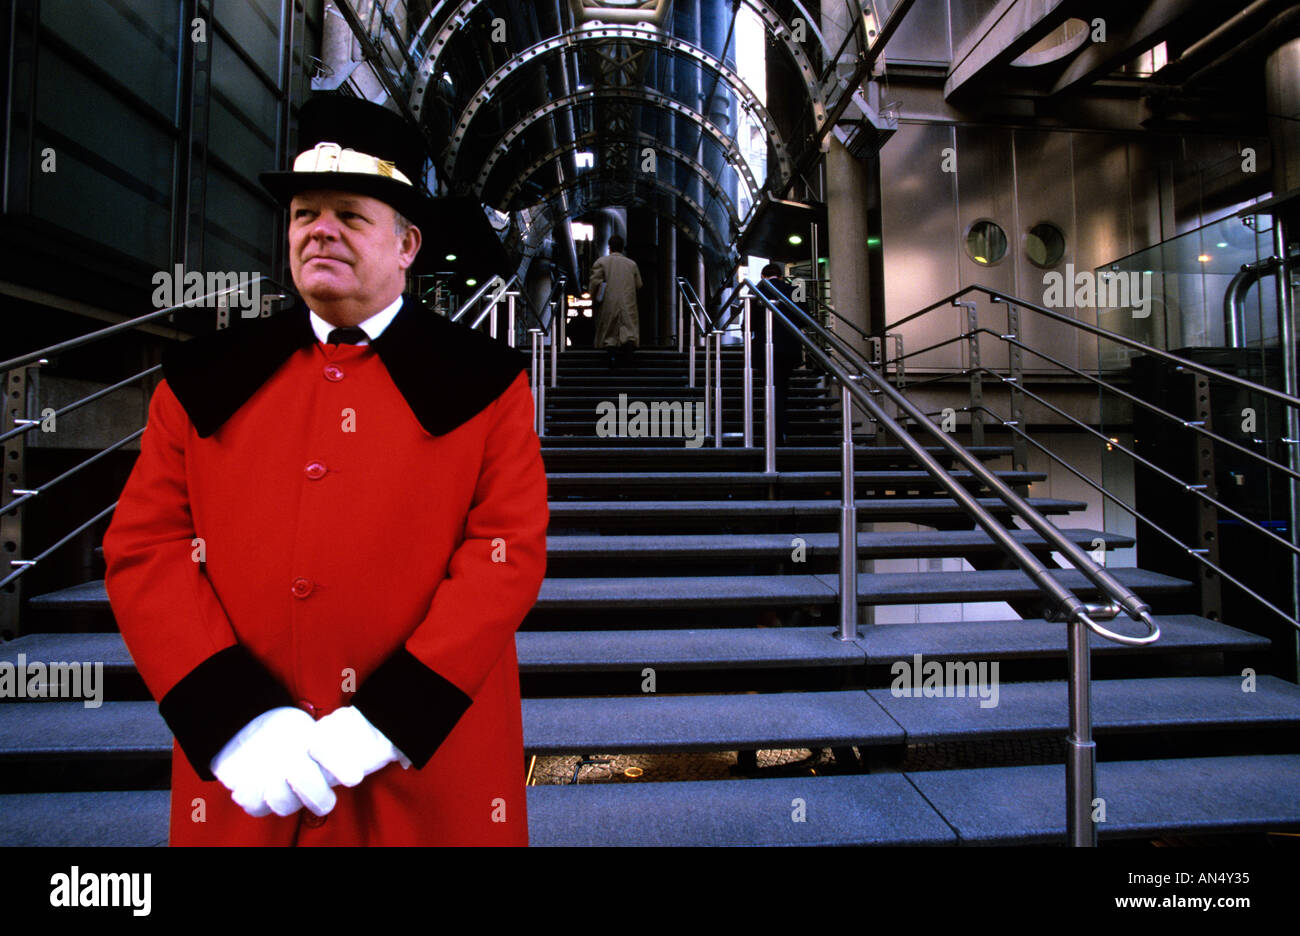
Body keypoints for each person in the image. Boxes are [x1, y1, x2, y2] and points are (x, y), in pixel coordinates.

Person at [101, 96, 548, 846]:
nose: (321, 231)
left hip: (420, 770)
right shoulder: (203, 376)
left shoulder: (485, 380)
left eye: (349, 214)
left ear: (407, 244)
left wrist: (389, 719)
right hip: (252, 784)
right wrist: (232, 718)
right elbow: (145, 548)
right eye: (305, 214)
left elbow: (505, 554)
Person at [754, 263, 806, 444]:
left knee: (771, 386)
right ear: (781, 276)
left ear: (763, 276)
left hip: (765, 348)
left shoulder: (757, 290)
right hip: (790, 347)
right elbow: (804, 319)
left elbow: (749, 324)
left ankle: (774, 431)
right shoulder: (795, 289)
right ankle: (781, 428)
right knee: (782, 386)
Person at [588, 234, 642, 366]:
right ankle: (628, 352)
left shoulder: (601, 262)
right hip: (627, 302)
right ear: (623, 248)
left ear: (609, 247)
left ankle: (610, 357)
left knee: (609, 331)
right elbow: (639, 284)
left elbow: (594, 284)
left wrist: (592, 296)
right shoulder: (632, 264)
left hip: (609, 301)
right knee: (627, 329)